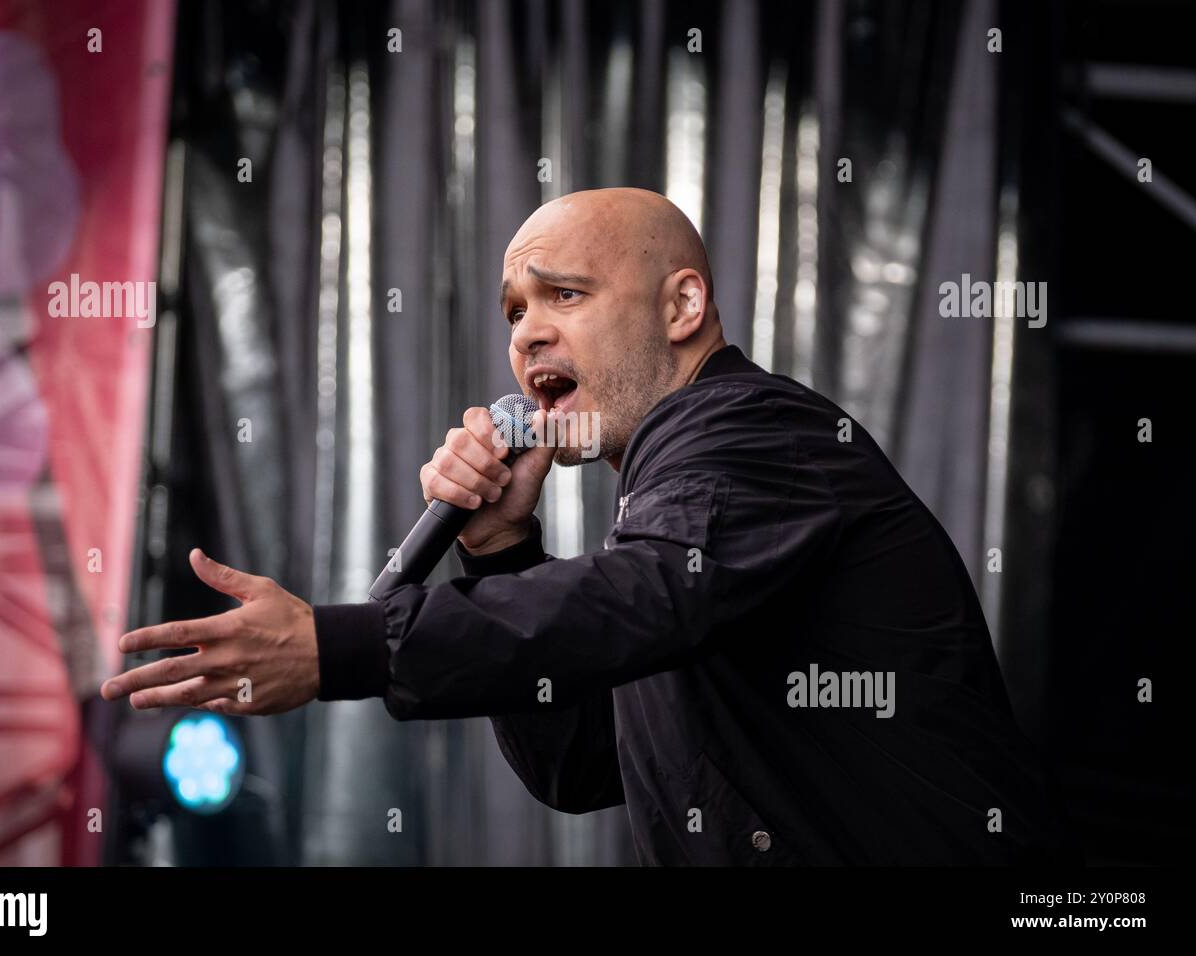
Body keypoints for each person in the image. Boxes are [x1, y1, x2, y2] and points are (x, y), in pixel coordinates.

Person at [102, 187, 1077, 865]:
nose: (524, 330)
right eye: (513, 307)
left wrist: (337, 643)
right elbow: (579, 764)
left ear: (682, 304)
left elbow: (640, 595)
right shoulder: (673, 500)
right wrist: (496, 546)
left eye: (563, 293)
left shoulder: (750, 431)